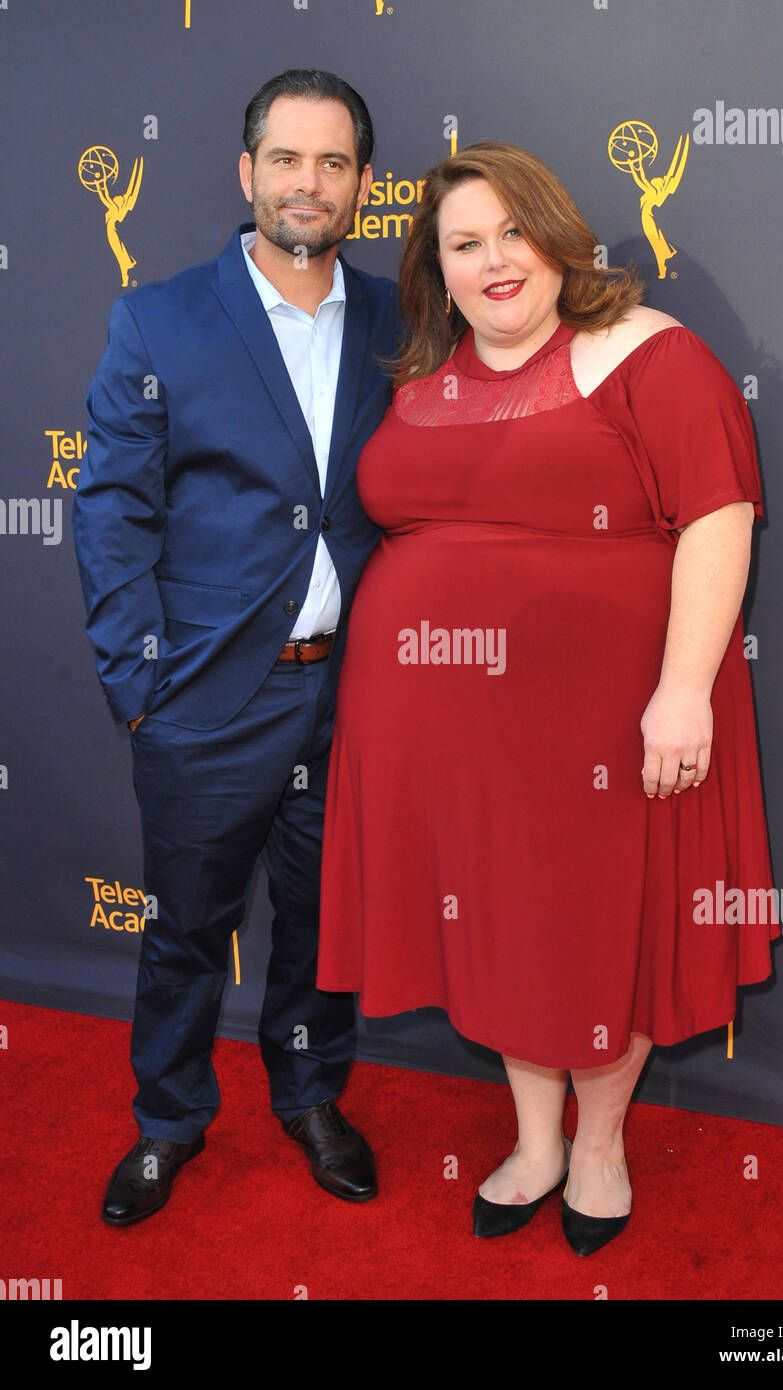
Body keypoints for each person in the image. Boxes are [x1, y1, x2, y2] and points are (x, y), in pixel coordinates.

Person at [316, 142, 780, 1256]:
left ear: (557, 237)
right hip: (449, 740)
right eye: (463, 244)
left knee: (592, 933)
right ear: (439, 266)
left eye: (510, 233)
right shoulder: (422, 375)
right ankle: (533, 1138)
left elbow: (717, 515)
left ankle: (601, 1144)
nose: (493, 262)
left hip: (604, 727)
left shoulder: (650, 352)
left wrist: (681, 692)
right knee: (505, 932)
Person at [72, 69, 401, 1225]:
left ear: (363, 184)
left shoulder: (402, 321)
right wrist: (140, 680)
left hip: (350, 695)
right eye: (285, 158)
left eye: (331, 163)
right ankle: (169, 1119)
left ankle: (310, 1094)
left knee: (323, 921)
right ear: (245, 171)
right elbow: (112, 508)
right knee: (186, 929)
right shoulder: (159, 318)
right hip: (207, 695)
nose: (306, 183)